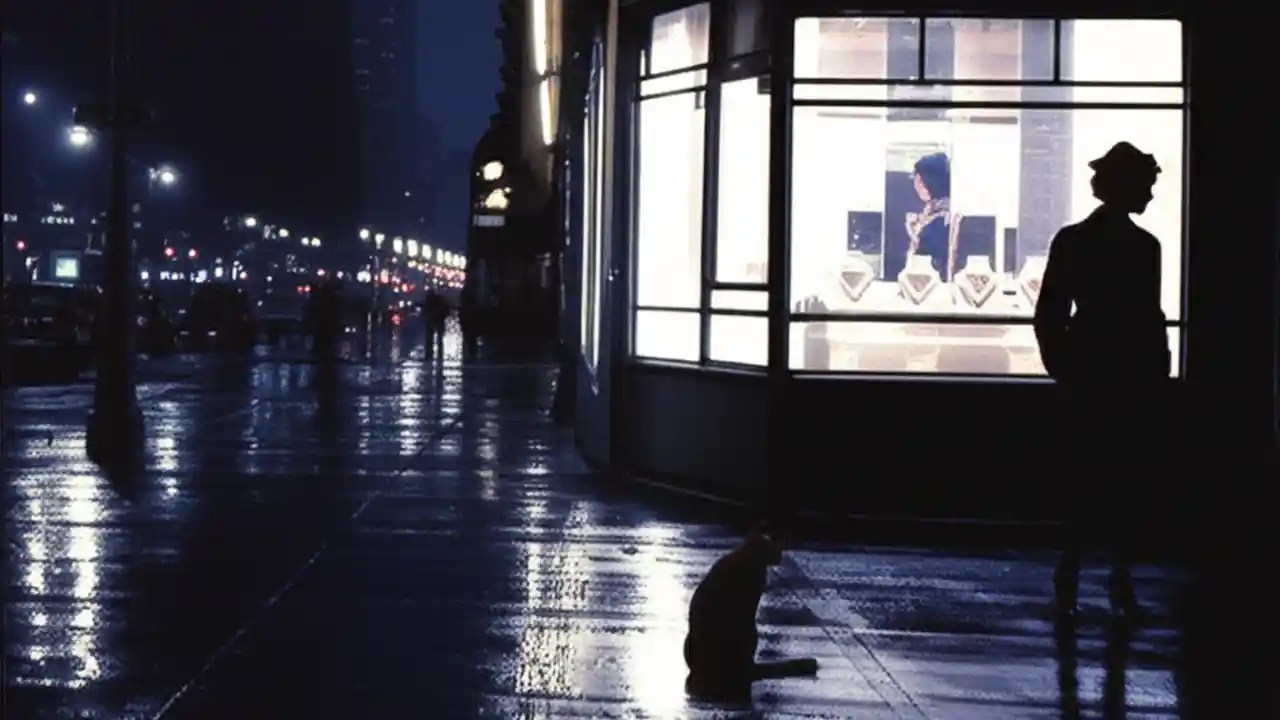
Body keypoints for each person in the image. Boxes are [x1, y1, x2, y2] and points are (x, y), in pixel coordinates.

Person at [1034, 141, 1170, 619]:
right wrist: (1159, 370)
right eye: (1147, 186)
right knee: (1125, 477)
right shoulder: (1144, 247)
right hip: (1129, 372)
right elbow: (1150, 318)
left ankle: (1071, 569)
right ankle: (1119, 576)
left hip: (1088, 368)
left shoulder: (1073, 241)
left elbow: (1049, 311)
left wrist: (1061, 365)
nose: (1151, 196)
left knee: (1083, 475)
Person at [904, 152, 960, 280]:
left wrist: (914, 233)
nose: (916, 185)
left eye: (917, 180)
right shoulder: (939, 216)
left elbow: (922, 267)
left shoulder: (938, 223)